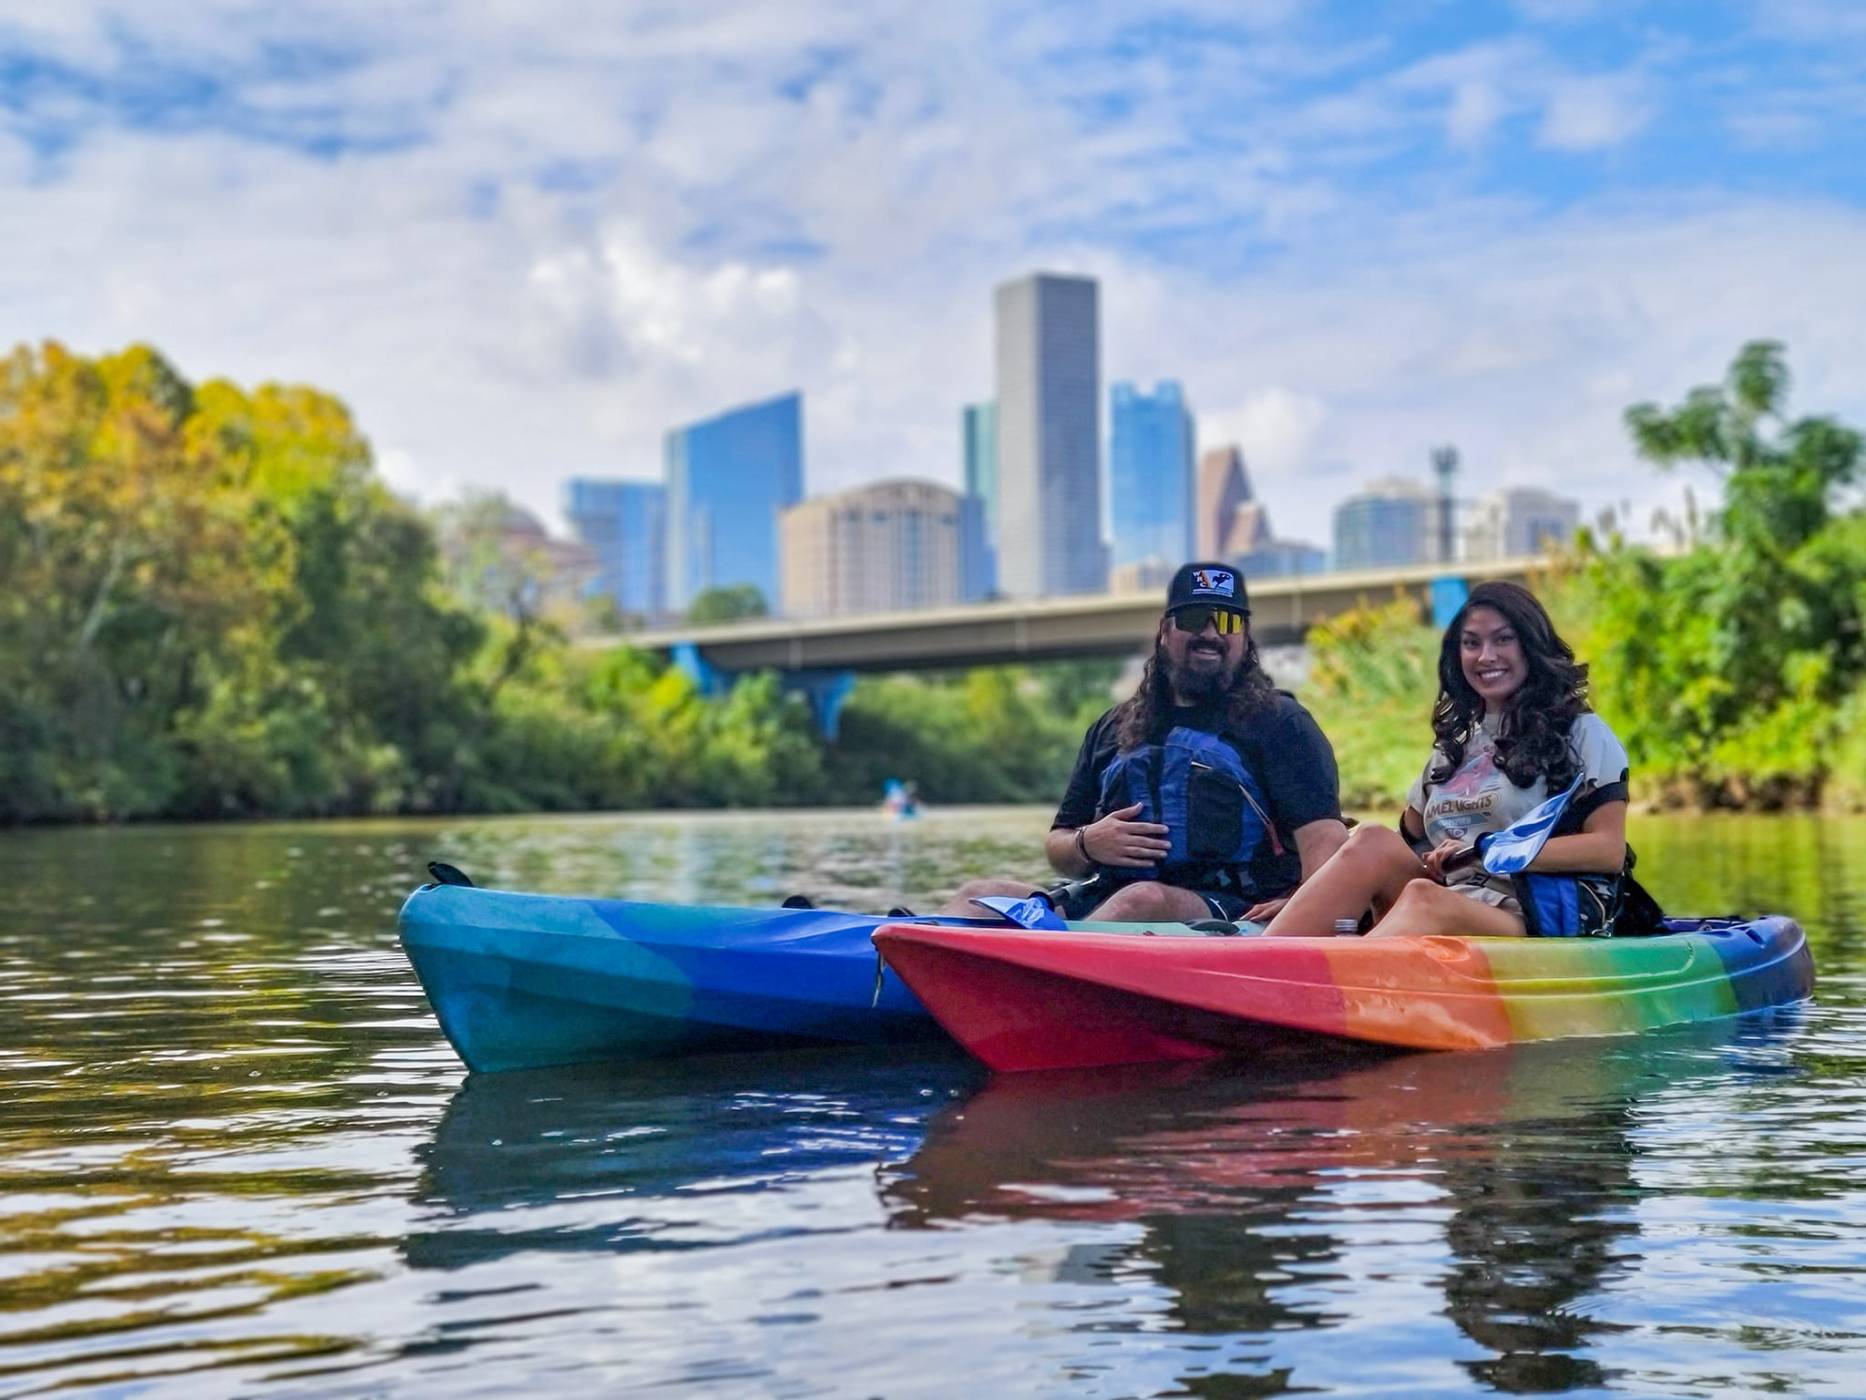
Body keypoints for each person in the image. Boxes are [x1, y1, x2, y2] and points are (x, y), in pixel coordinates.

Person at [943, 562, 1349, 923]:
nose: (1210, 634)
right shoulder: (1112, 727)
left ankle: (1046, 977)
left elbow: (1325, 843)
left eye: (1226, 622)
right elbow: (1059, 846)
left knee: (1141, 900)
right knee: (976, 896)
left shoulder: (1282, 724)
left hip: (1236, 909)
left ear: (1244, 637)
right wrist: (1089, 843)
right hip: (1111, 900)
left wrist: (1300, 905)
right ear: (1165, 630)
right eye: (1193, 619)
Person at [1262, 579, 1634, 939]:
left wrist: (1486, 851)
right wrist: (1317, 898)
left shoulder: (1581, 731)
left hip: (1530, 914)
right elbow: (1403, 846)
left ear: (1531, 647)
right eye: (1471, 644)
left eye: (1503, 640)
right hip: (1448, 900)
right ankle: (1263, 962)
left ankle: (1329, 987)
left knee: (1428, 901)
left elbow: (1607, 851)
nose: (1486, 656)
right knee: (1373, 840)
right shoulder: (1455, 748)